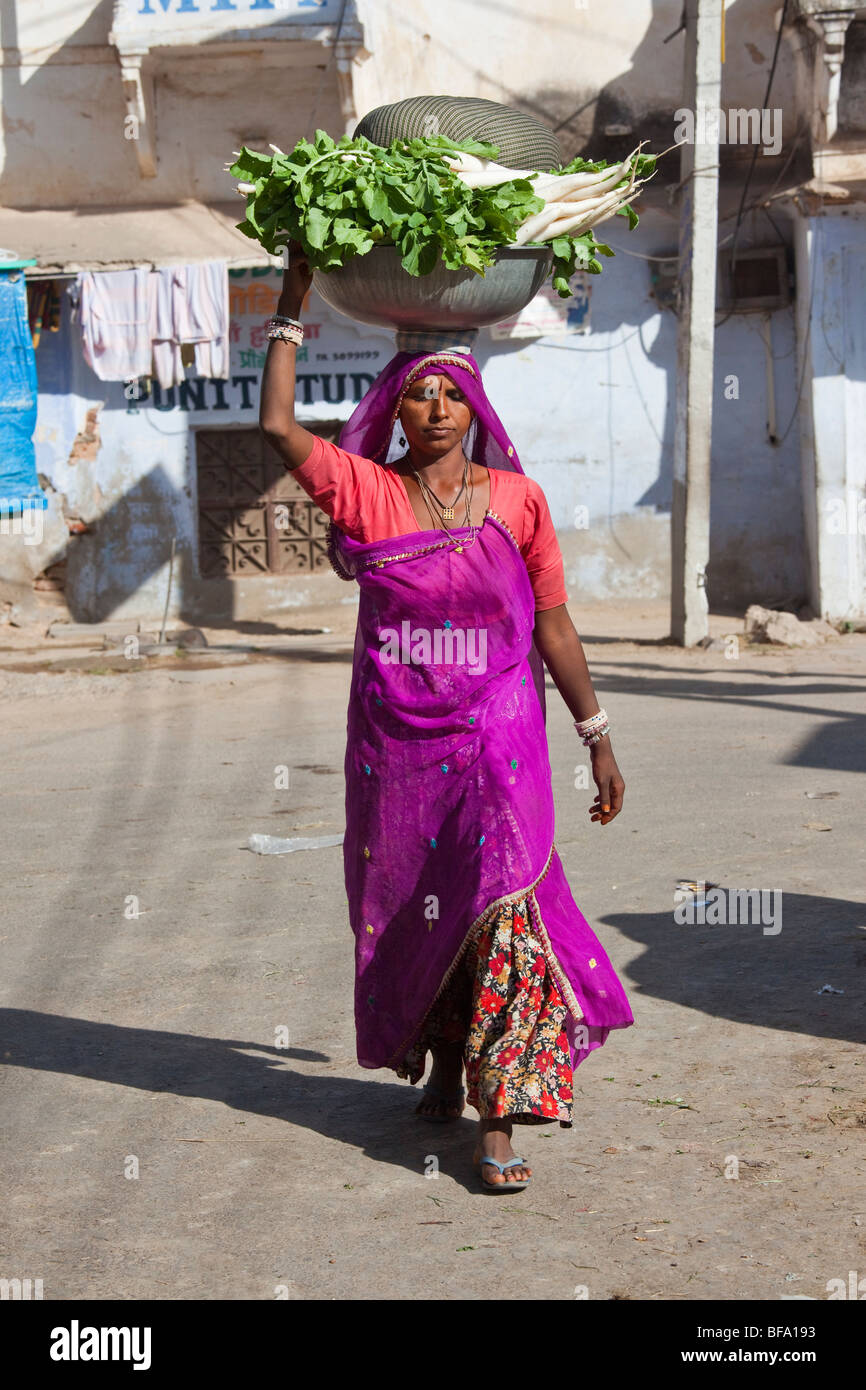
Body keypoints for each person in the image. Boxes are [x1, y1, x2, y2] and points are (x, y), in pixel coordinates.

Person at [260, 245, 633, 1192]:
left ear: (476, 412)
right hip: (396, 735)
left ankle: (499, 1115)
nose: (435, 409)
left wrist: (596, 737)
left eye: (452, 396)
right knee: (416, 893)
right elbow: (274, 426)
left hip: (501, 731)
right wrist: (294, 301)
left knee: (505, 900)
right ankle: (434, 1056)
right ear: (398, 406)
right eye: (419, 394)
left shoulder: (517, 501)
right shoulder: (370, 491)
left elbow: (552, 620)